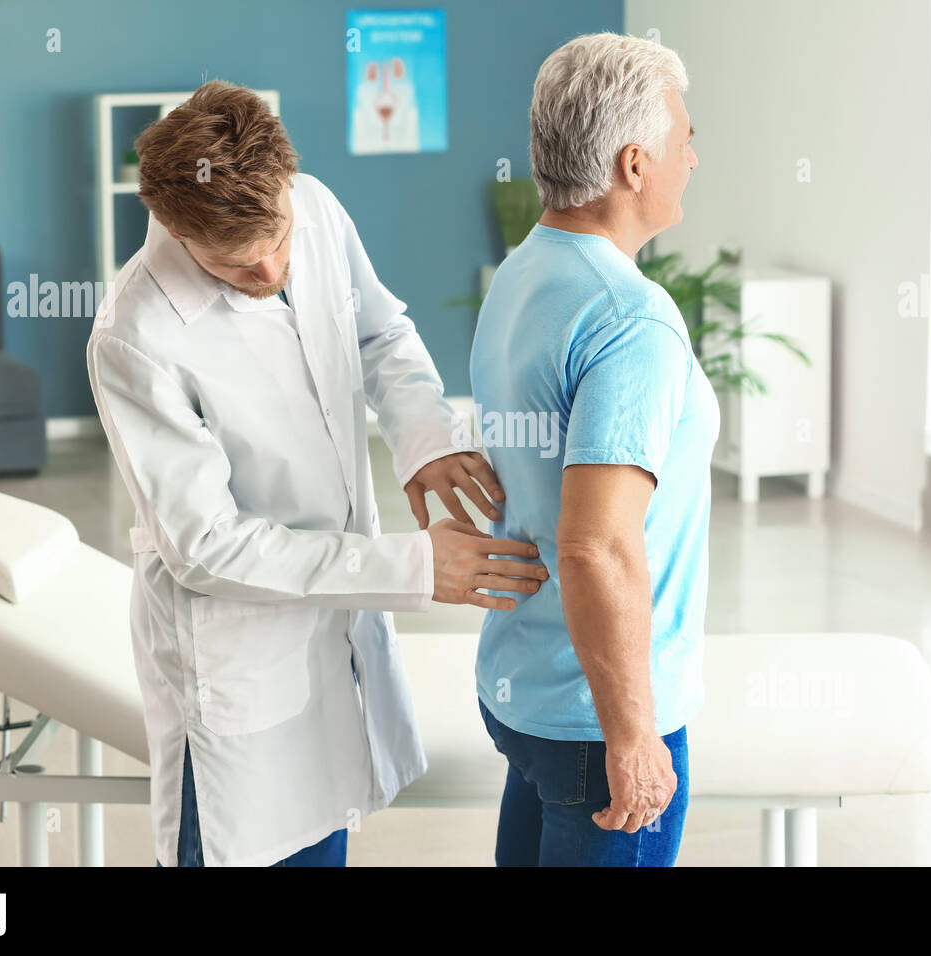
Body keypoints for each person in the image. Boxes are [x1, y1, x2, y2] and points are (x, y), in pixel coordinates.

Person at [86, 80, 547, 867]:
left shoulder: (317, 207)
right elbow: (207, 548)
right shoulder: (136, 336)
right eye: (237, 266)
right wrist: (411, 565)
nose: (271, 271)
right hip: (236, 670)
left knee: (323, 837)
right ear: (174, 226)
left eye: (281, 244)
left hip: (330, 641)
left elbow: (378, 333)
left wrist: (425, 437)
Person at [469, 33, 716, 866]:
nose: (694, 156)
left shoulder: (522, 272)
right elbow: (597, 545)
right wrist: (633, 736)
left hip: (526, 691)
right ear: (634, 164)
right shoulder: (629, 319)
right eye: (685, 139)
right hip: (592, 720)